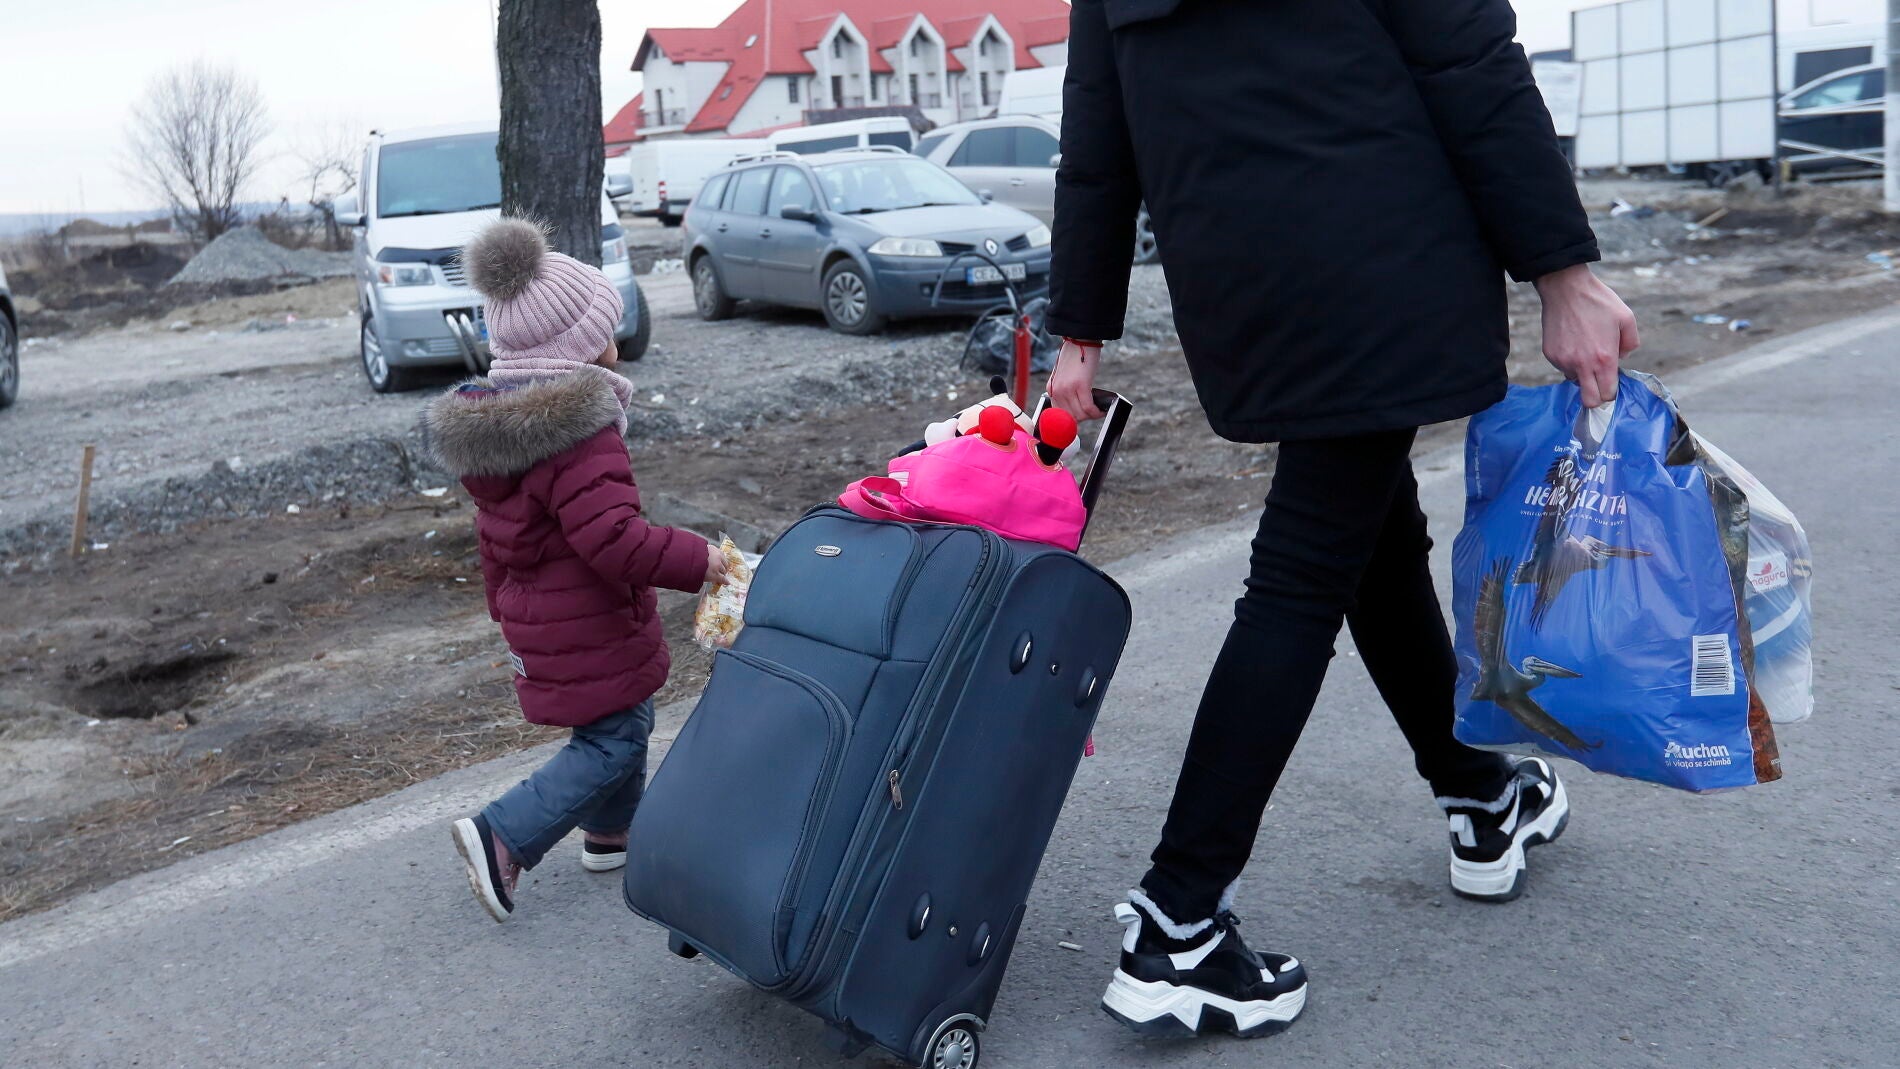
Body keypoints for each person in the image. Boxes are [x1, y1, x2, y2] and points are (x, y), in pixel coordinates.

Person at [1045, 0, 1639, 1037]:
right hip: (1380, 261)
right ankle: (1178, 918)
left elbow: (1096, 140)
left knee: (1370, 532)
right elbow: (1467, 58)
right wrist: (1563, 269)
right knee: (1302, 569)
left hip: (1243, 289)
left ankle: (1477, 792)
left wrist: (1079, 334)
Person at [427, 219, 727, 922]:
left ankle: (612, 831)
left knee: (621, 716)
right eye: (607, 330)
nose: (617, 342)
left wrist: (504, 609)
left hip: (545, 614)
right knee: (614, 735)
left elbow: (492, 537)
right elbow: (617, 540)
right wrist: (702, 562)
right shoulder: (579, 435)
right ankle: (503, 834)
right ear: (583, 351)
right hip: (586, 614)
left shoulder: (504, 432)